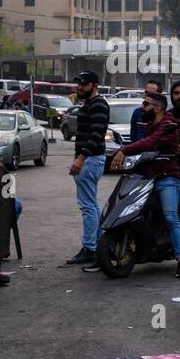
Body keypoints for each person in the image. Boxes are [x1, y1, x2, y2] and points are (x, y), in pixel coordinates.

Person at [111, 91, 180, 278]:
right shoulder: (151, 124)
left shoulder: (169, 124)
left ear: (157, 107)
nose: (142, 108)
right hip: (147, 179)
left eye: (146, 104)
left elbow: (151, 143)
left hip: (167, 177)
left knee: (170, 216)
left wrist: (124, 150)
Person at [67, 69, 110, 269]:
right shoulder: (89, 103)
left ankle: (90, 249)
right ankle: (99, 246)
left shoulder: (98, 104)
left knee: (88, 206)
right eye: (78, 84)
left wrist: (80, 159)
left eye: (83, 84)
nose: (79, 87)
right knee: (91, 205)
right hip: (89, 159)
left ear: (94, 85)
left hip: (90, 160)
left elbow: (97, 135)